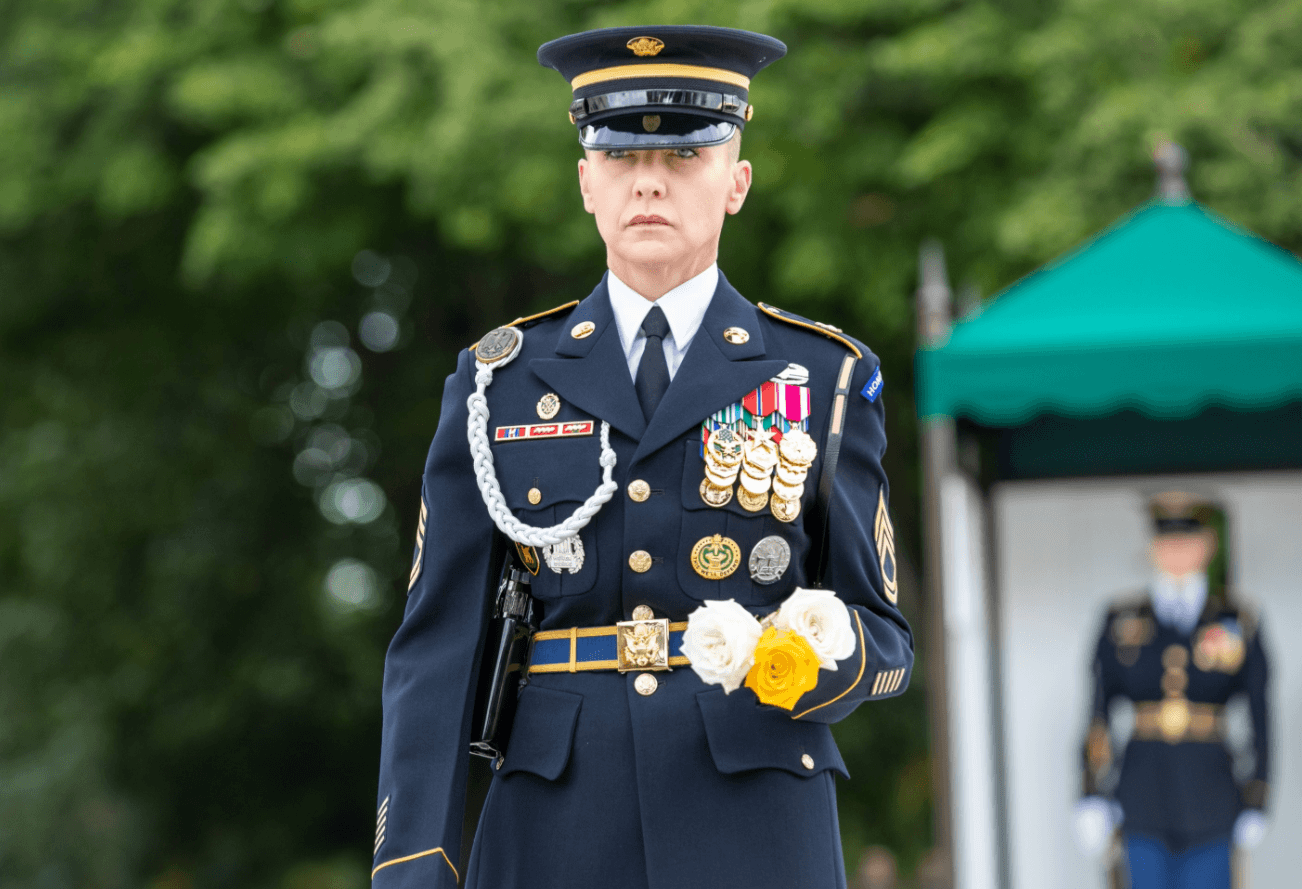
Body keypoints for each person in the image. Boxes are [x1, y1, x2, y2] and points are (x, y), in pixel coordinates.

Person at [371, 26, 913, 889]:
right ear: (586, 182)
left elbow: (884, 635)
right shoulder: (498, 380)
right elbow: (436, 651)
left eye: (688, 153)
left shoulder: (821, 375)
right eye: (620, 156)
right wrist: (412, 868)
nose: (650, 180)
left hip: (757, 827)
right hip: (555, 827)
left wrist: (817, 659)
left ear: (736, 181)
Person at [1074, 492, 1271, 889]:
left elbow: (1260, 715)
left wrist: (1258, 794)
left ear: (1207, 548)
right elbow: (1098, 710)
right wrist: (1091, 790)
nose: (1177, 552)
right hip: (1142, 795)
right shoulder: (1121, 621)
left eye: (1187, 542)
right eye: (1167, 542)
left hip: (1211, 798)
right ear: (1152, 548)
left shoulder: (1237, 621)